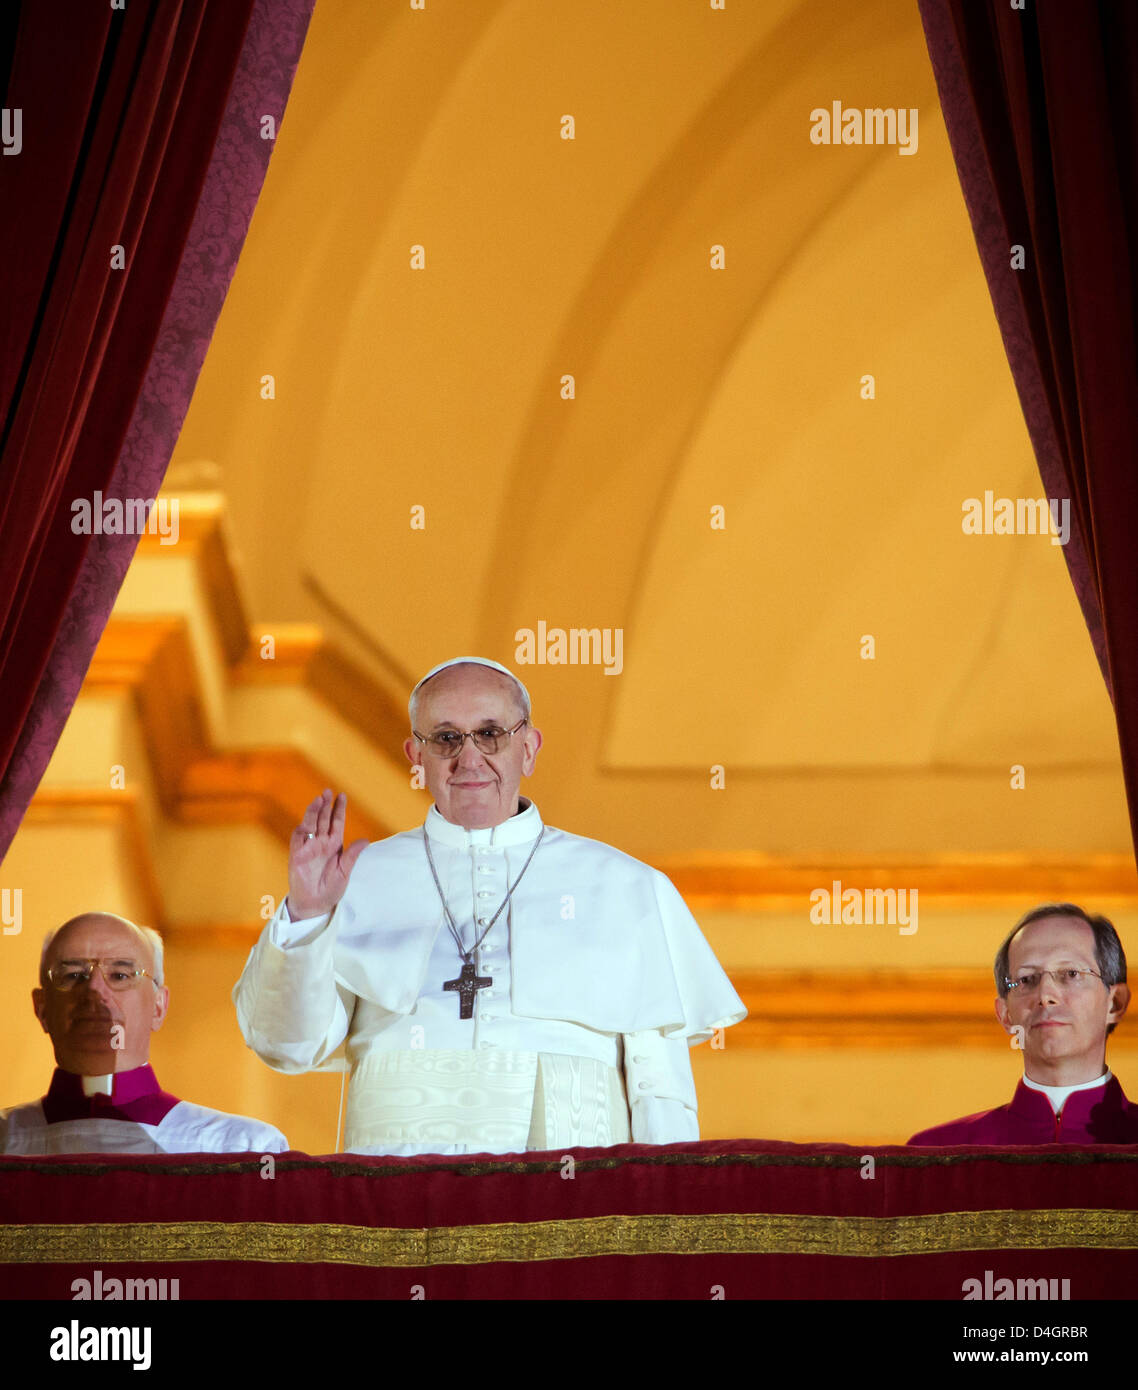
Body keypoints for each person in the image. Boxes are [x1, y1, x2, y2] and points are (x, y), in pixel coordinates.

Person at [233, 656, 746, 1155]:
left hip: (570, 1209)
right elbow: (288, 1046)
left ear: (529, 748)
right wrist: (306, 916)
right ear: (416, 755)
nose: (470, 758)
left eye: (491, 733)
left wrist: (660, 1216)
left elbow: (660, 1092)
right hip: (399, 1204)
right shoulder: (355, 880)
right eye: (447, 738)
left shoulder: (626, 886)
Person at [1, 911, 289, 1155]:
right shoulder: (6, 1141)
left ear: (158, 1006)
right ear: (42, 1008)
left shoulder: (241, 1149)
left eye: (120, 975)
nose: (94, 991)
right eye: (73, 975)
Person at [908, 903, 1137, 1144]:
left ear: (1115, 1004)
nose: (1045, 995)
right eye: (1026, 979)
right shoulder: (937, 1154)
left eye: (1071, 974)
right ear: (1005, 1015)